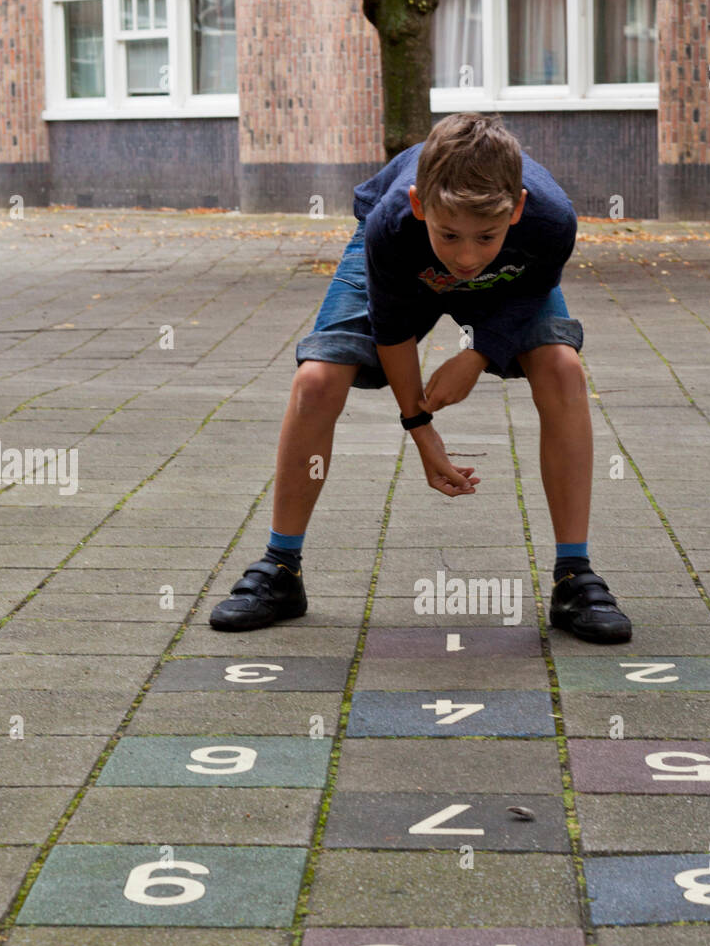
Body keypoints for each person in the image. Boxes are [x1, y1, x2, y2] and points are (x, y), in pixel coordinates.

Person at [209, 111, 632, 643]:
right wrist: (421, 429)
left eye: (486, 237)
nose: (466, 257)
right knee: (316, 379)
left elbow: (528, 295)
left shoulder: (551, 221)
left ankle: (575, 576)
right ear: (418, 204)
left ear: (517, 209)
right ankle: (280, 567)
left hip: (516, 276)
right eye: (449, 234)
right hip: (402, 260)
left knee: (563, 369)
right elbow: (392, 328)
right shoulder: (392, 223)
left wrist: (476, 354)